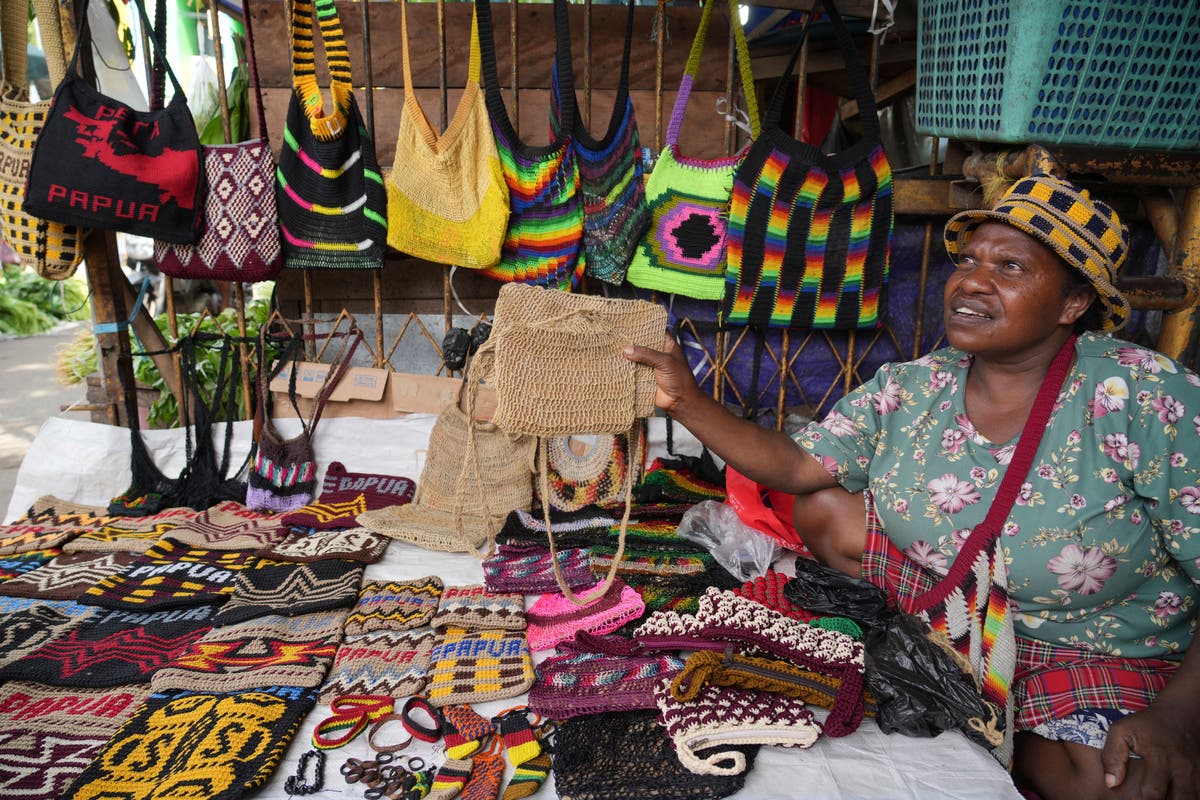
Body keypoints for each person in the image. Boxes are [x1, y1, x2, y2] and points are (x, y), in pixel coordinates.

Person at [625, 173, 1200, 800]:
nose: (972, 281)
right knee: (823, 505)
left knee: (1124, 782)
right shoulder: (913, 386)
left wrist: (1177, 716)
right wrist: (686, 402)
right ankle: (992, 711)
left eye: (1010, 266)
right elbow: (795, 467)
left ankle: (1015, 729)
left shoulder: (1143, 397)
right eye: (970, 260)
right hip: (948, 619)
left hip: (1088, 646)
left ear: (1072, 304)